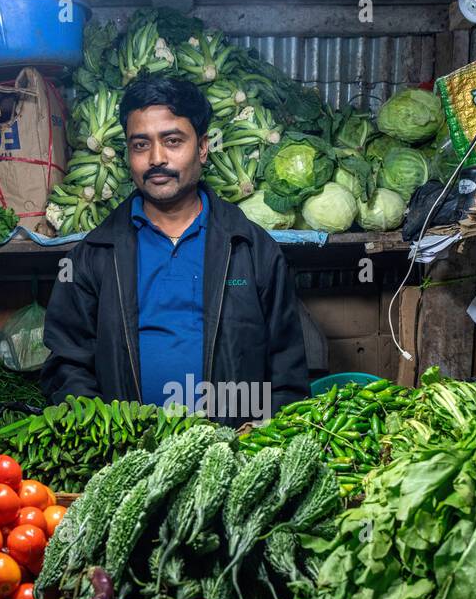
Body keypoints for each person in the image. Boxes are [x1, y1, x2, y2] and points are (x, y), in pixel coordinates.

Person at [40, 76, 307, 426]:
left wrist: (256, 441)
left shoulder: (250, 249)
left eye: (172, 141)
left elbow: (288, 372)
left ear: (203, 148)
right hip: (127, 459)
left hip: (233, 459)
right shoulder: (94, 255)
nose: (156, 158)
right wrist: (108, 435)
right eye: (140, 145)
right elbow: (67, 365)